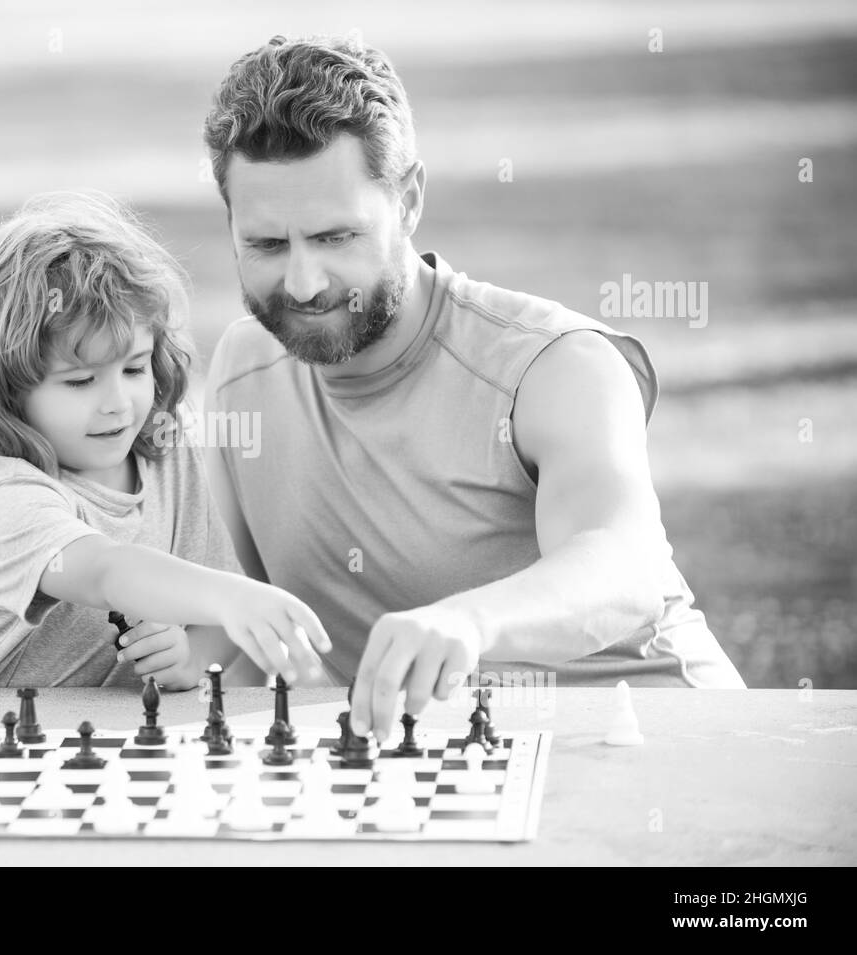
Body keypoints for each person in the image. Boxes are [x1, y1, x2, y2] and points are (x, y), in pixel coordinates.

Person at [199, 36, 746, 739]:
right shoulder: (243, 370)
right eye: (268, 246)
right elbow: (230, 629)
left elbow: (623, 566)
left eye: (336, 238)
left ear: (409, 201)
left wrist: (469, 620)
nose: (303, 284)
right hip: (439, 781)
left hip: (669, 743)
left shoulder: (556, 365)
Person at [0, 191, 330, 691]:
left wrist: (191, 657)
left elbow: (217, 614)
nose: (117, 403)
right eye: (80, 381)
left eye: (134, 368)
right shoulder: (9, 500)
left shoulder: (169, 457)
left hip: (111, 749)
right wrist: (234, 597)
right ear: (6, 389)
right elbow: (106, 571)